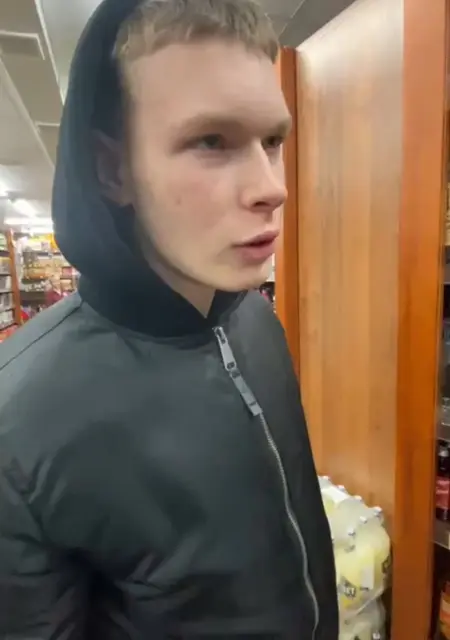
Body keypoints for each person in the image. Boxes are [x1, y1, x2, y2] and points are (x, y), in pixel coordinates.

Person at [0, 0, 338, 637]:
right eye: (212, 141)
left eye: (273, 141)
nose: (272, 187)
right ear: (113, 170)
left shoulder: (257, 323)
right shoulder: (17, 423)